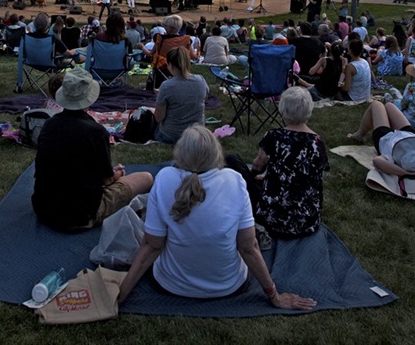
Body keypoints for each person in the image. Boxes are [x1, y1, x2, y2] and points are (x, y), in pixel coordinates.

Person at [117, 125, 316, 310]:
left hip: (171, 285)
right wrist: (275, 296)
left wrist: (121, 293)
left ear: (180, 154)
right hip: (228, 286)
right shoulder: (234, 180)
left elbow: (152, 246)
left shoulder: (164, 179)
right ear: (215, 154)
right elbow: (249, 247)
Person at [31, 67, 153, 232]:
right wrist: (116, 174)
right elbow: (106, 180)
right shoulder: (95, 132)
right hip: (80, 215)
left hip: (44, 208)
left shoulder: (48, 125)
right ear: (89, 97)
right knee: (145, 178)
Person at [238, 87, 329, 237]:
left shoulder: (273, 136)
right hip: (308, 220)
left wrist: (252, 176)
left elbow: (258, 165)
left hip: (272, 218)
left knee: (234, 163)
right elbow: (311, 175)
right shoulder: (318, 143)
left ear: (283, 111)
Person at [363, 101, 415, 177]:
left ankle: (359, 134)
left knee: (376, 104)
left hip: (386, 137)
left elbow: (377, 160)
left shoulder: (393, 158)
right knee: (389, 106)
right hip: (411, 136)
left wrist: (408, 174)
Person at [153, 47, 208, 144]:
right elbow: (202, 98)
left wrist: (161, 97)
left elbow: (158, 118)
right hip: (197, 135)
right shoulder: (201, 80)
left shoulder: (166, 86)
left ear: (170, 65)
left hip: (171, 136)